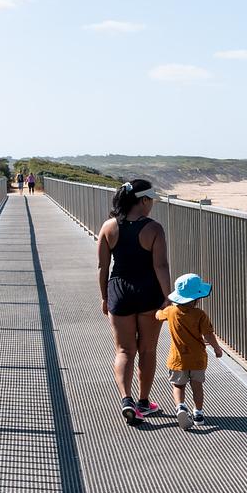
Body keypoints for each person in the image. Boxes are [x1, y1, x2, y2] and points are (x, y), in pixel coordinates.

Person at [97, 180, 171, 425]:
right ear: (144, 200)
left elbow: (103, 267)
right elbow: (160, 266)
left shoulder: (108, 227)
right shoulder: (154, 229)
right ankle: (143, 401)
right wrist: (167, 297)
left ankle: (126, 400)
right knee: (147, 350)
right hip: (148, 292)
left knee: (124, 350)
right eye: (151, 200)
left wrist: (105, 297)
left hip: (119, 290)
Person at [155, 273, 223, 429]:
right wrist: (217, 349)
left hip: (177, 359)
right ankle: (198, 413)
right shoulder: (200, 315)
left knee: (178, 386)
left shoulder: (171, 311)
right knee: (197, 386)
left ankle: (180, 407)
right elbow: (208, 335)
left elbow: (158, 315)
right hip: (197, 359)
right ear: (197, 298)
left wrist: (158, 310)